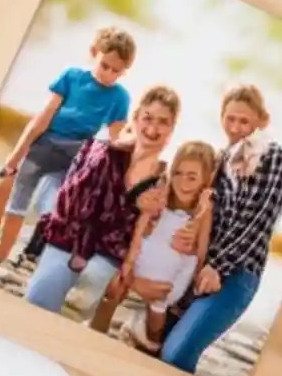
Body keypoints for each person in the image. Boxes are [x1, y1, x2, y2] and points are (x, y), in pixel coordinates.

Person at [0, 27, 136, 279]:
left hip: (74, 157)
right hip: (43, 146)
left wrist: (135, 143)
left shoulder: (119, 97)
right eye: (105, 66)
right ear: (94, 53)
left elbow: (115, 139)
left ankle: (16, 253)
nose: (109, 75)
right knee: (17, 203)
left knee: (52, 205)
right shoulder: (71, 77)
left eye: (117, 71)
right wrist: (17, 154)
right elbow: (43, 117)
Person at [158, 84, 282, 374]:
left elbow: (259, 220)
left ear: (262, 121)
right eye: (230, 119)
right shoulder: (219, 160)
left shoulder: (272, 156)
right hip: (199, 271)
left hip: (236, 273)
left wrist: (218, 266)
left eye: (244, 121)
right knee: (154, 346)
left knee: (176, 355)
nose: (235, 127)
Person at [22, 85, 181, 318]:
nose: (153, 129)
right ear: (136, 117)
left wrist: (127, 268)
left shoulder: (160, 180)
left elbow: (141, 232)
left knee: (81, 300)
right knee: (35, 306)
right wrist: (131, 206)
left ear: (171, 129)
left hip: (108, 255)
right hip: (69, 238)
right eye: (147, 118)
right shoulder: (104, 150)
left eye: (163, 122)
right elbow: (74, 204)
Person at [90, 141, 219, 352]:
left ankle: (151, 341)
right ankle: (95, 330)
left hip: (170, 277)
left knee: (158, 309)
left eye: (192, 177)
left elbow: (201, 249)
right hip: (143, 262)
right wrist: (129, 264)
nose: (183, 182)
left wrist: (203, 210)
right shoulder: (161, 195)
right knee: (114, 288)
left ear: (206, 180)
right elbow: (140, 230)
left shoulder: (203, 211)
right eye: (178, 173)